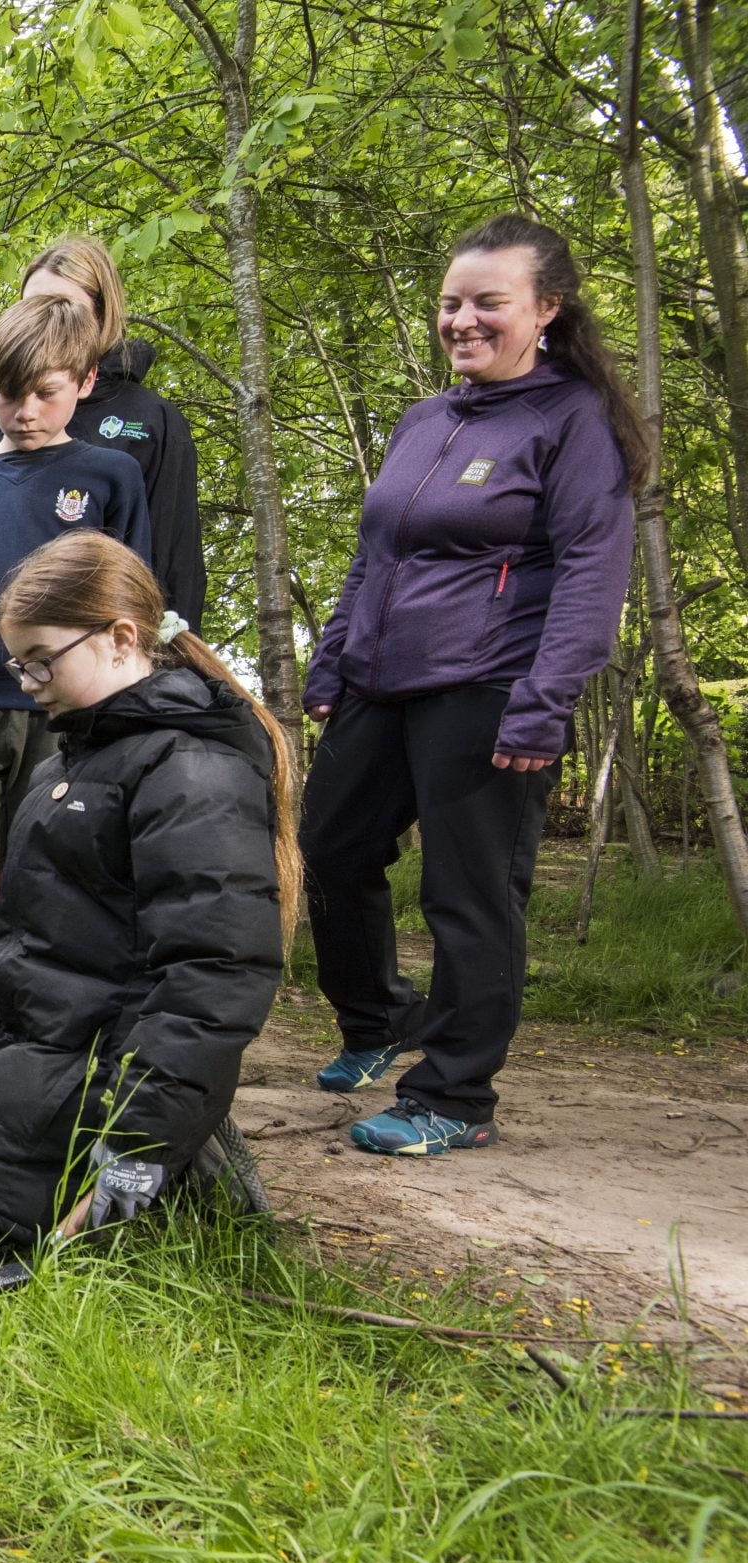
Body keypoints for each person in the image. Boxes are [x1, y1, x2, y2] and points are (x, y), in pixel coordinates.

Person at [0, 534, 293, 1262]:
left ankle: (176, 1189)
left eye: (42, 660)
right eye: (17, 663)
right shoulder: (70, 764)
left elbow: (213, 978)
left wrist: (135, 1145)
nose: (25, 681)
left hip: (106, 1071)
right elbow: (22, 931)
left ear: (121, 638)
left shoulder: (193, 773)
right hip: (38, 1051)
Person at [300, 213, 645, 1158]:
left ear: (545, 309)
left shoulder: (571, 420)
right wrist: (333, 656)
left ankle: (454, 1094)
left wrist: (546, 698)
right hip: (379, 682)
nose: (464, 320)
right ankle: (380, 1015)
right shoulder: (426, 419)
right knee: (328, 850)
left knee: (471, 895)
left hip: (490, 687)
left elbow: (590, 571)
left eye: (490, 303)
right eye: (452, 303)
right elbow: (374, 554)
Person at [0, 293, 152, 963]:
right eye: (10, 393)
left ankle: (42, 1032)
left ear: (85, 382)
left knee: (51, 886)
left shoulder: (111, 476)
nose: (27, 411)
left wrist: (127, 720)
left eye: (46, 392)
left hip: (68, 716)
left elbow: (136, 610)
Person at [0, 236, 205, 628]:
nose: (48, 320)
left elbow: (174, 564)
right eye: (33, 306)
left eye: (64, 307)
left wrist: (166, 669)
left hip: (97, 648)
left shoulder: (150, 420)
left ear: (100, 312)